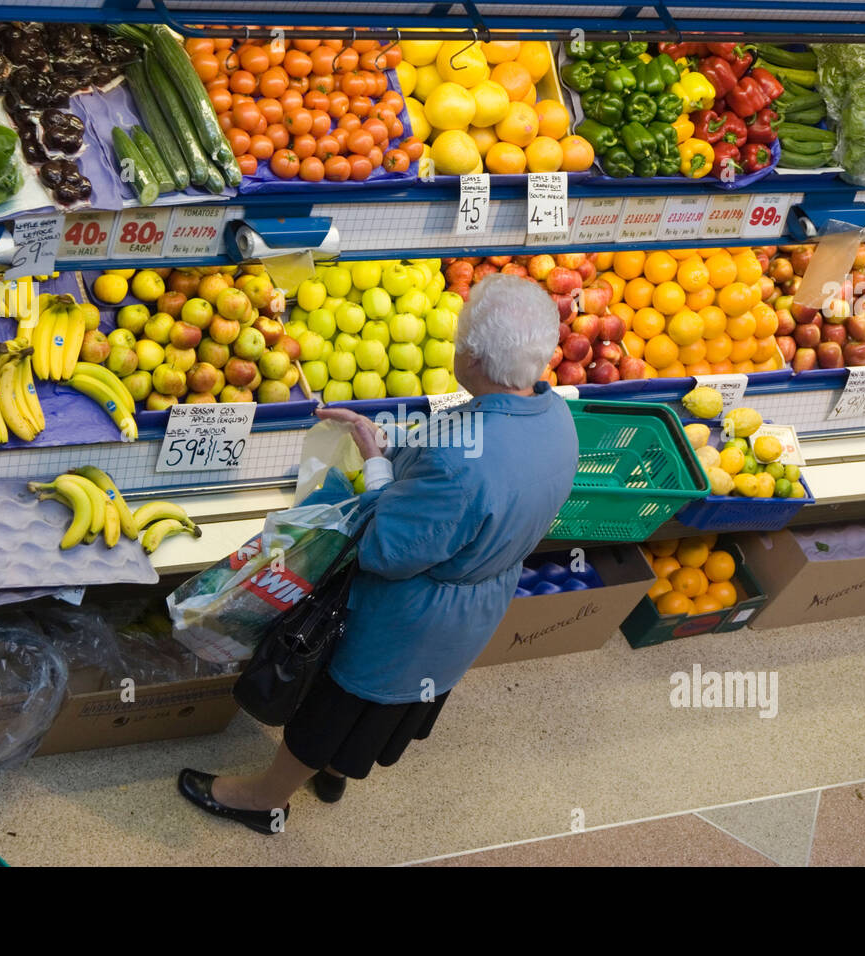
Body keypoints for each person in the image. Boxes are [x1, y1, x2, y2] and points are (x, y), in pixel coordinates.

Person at [178, 273, 579, 834]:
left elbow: (386, 550)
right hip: (476, 607)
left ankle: (264, 799)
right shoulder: (556, 415)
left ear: (474, 356)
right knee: (389, 711)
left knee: (339, 704)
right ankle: (338, 768)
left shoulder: (456, 465)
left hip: (407, 618)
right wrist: (403, 452)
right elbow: (485, 492)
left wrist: (374, 462)